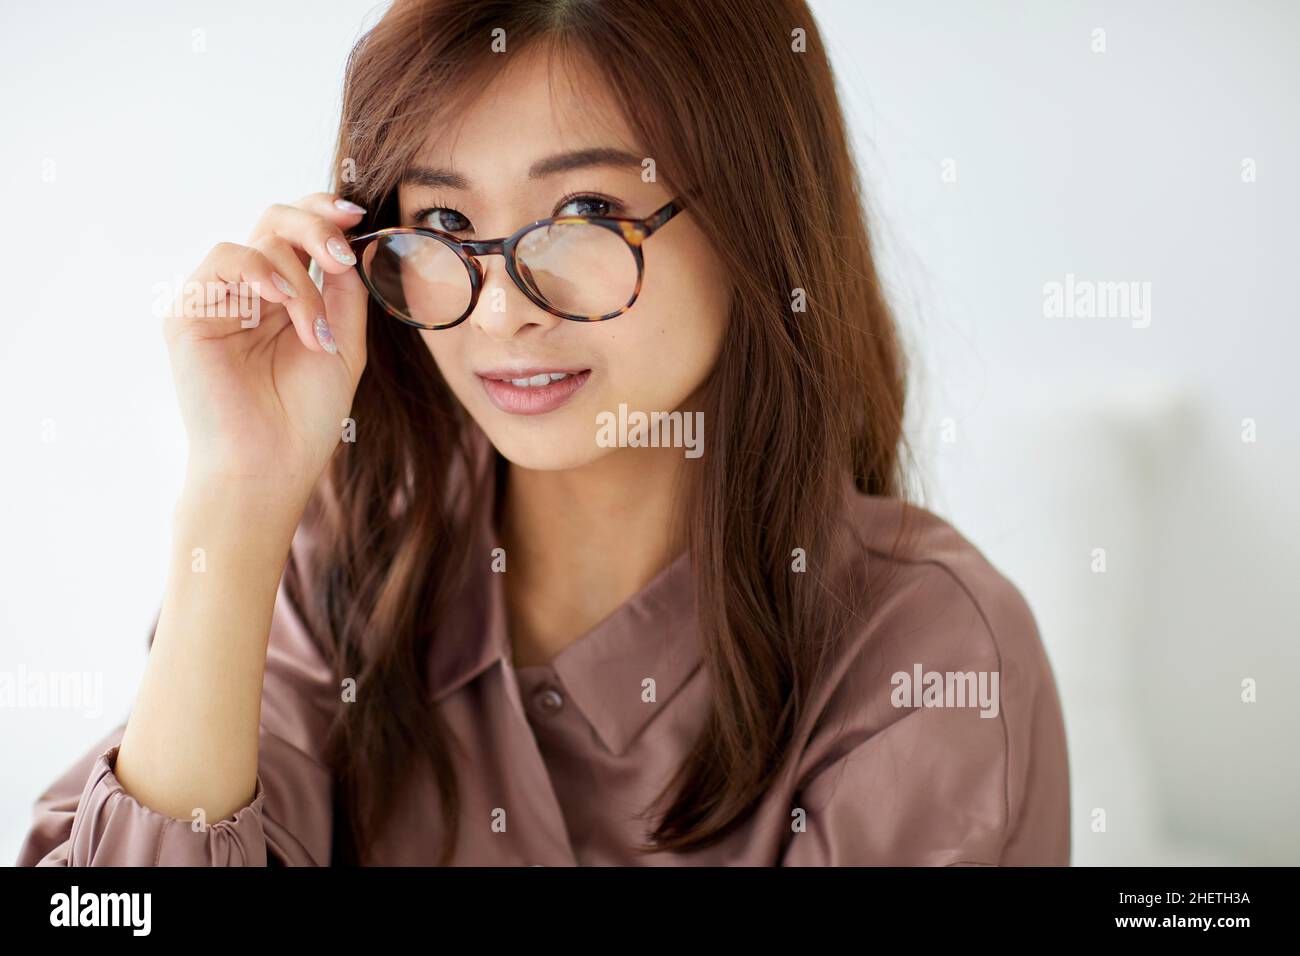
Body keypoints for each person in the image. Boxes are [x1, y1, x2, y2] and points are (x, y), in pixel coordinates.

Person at [18, 0, 1069, 866]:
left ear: (758, 218)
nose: (497, 309)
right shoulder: (337, 559)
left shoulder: (925, 654)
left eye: (585, 215)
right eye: (440, 227)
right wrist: (233, 496)